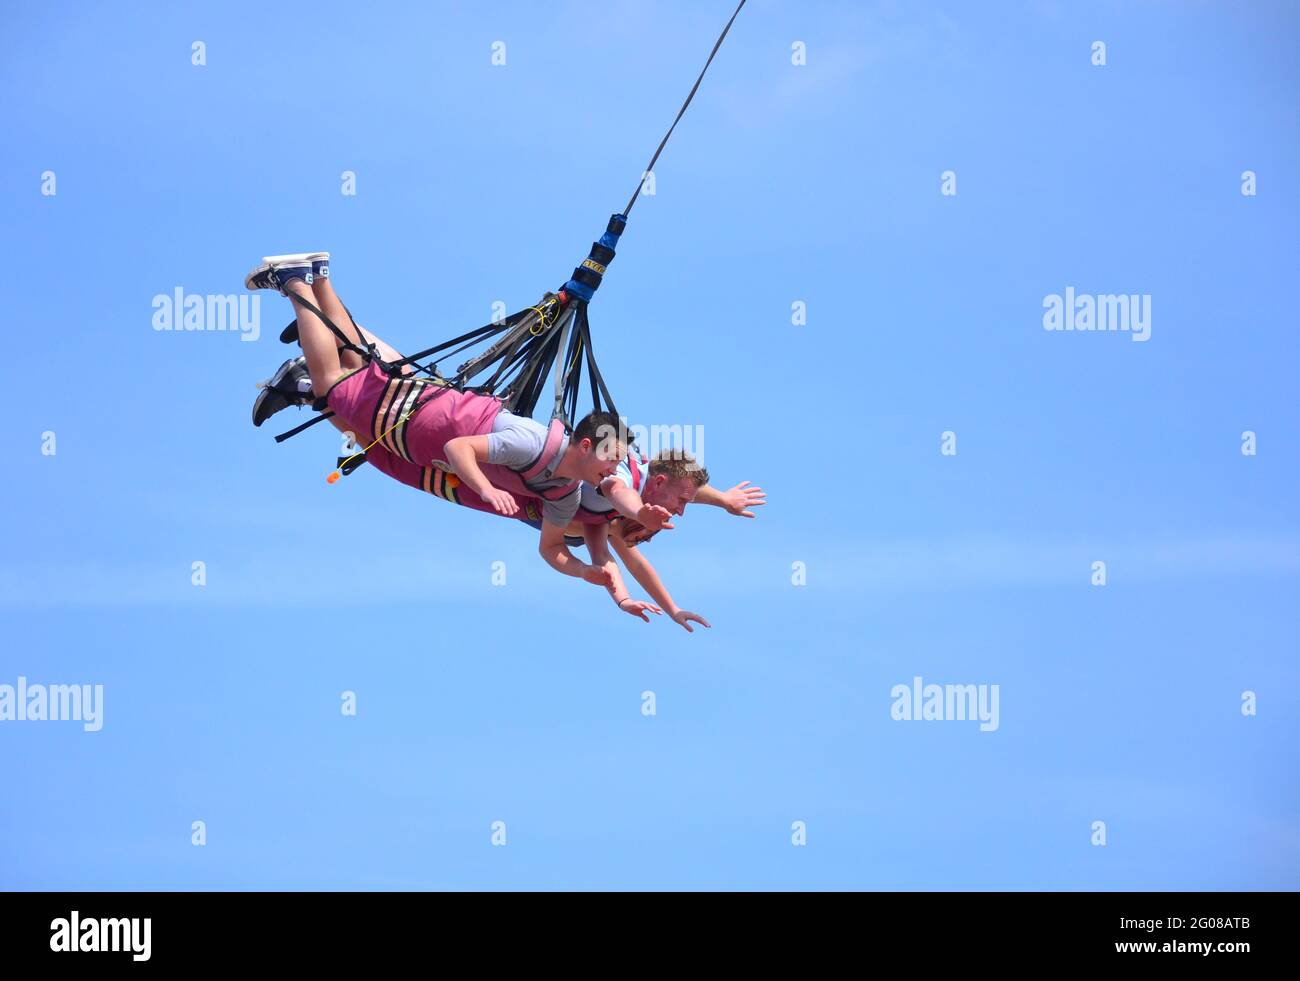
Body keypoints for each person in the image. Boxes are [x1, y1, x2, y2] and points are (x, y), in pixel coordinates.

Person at [246, 252, 658, 619]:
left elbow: (552, 549)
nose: (613, 468)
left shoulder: (564, 493)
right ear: (585, 445)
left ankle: (319, 277)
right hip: (411, 417)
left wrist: (589, 574)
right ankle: (295, 282)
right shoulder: (534, 445)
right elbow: (458, 447)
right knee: (332, 384)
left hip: (411, 428)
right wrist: (484, 486)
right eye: (612, 458)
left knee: (356, 361)